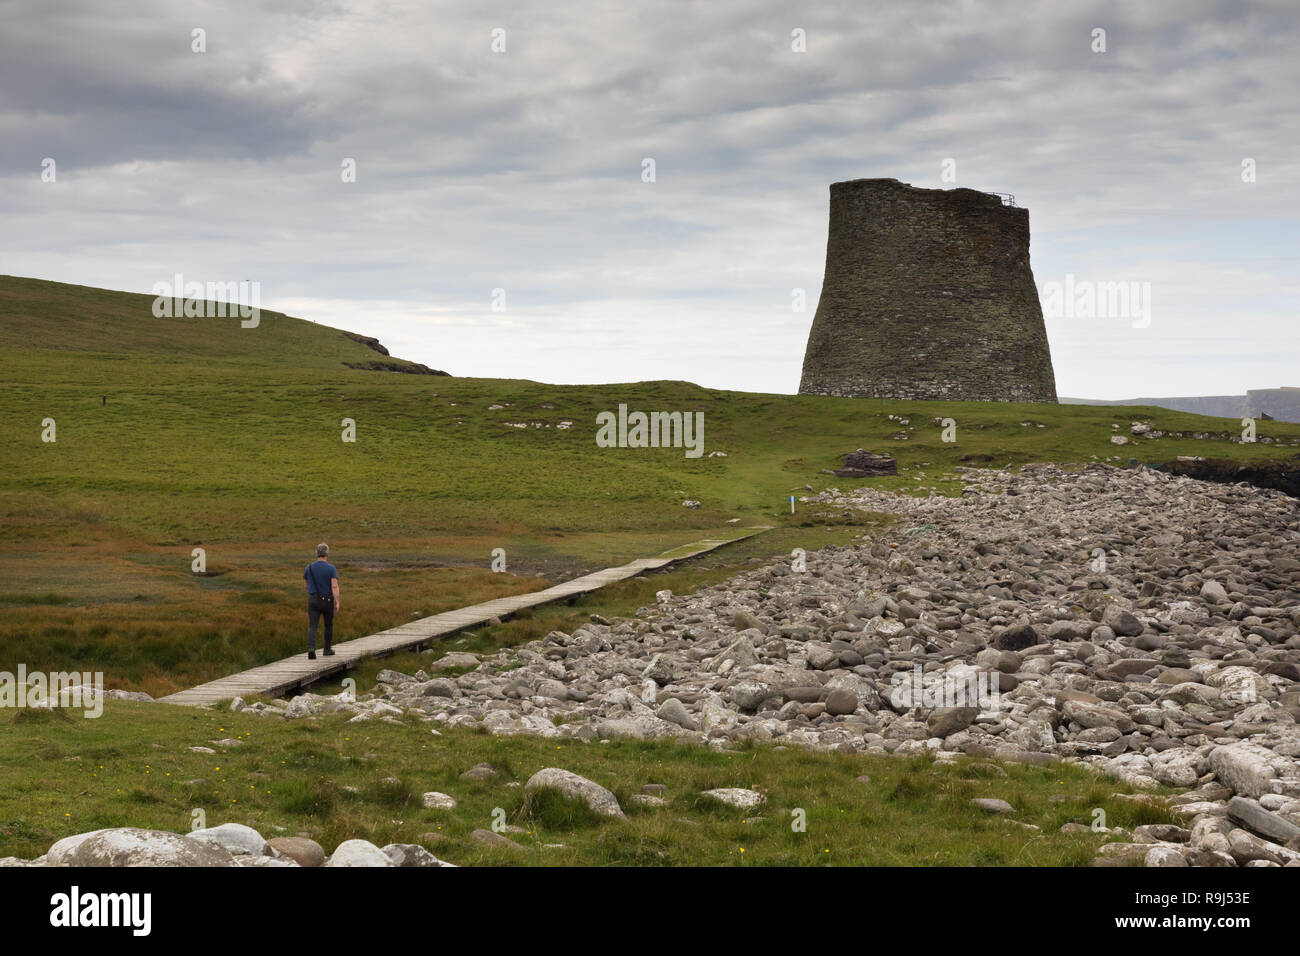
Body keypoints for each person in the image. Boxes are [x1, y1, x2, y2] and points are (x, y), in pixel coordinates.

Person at [303, 543, 340, 660]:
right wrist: (337, 601)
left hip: (313, 600)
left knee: (312, 625)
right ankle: (327, 649)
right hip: (327, 600)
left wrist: (313, 592)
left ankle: (311, 649)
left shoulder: (309, 567)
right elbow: (334, 586)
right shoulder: (331, 568)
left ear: (317, 553)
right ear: (327, 554)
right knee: (328, 625)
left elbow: (306, 585)